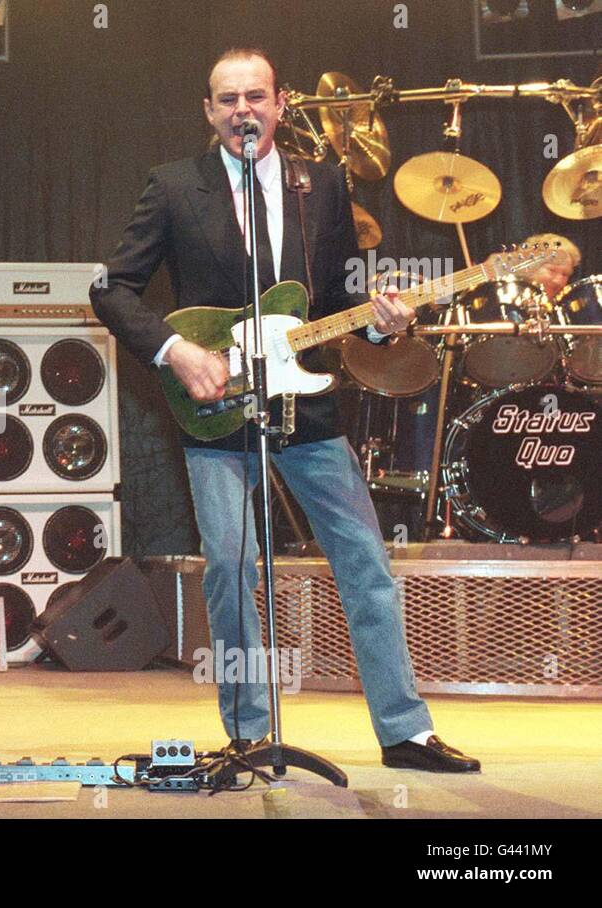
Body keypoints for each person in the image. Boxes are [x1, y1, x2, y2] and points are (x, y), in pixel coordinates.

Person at [92, 49, 479, 772]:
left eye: (257, 96)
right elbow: (111, 289)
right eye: (228, 98)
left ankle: (405, 731)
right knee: (233, 569)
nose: (244, 109)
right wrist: (176, 351)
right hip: (216, 408)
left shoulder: (322, 185)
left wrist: (378, 321)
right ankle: (248, 731)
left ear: (280, 103)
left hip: (306, 408)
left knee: (364, 561)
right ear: (210, 112)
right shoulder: (174, 187)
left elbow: (326, 301)